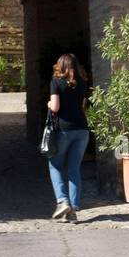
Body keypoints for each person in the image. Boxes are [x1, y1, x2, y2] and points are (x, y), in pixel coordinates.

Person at [47, 53, 89, 222]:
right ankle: (73, 211)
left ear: (60, 66)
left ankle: (62, 200)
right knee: (74, 169)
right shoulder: (82, 83)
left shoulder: (56, 82)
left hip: (63, 130)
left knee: (54, 165)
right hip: (82, 130)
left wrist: (49, 104)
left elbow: (55, 107)